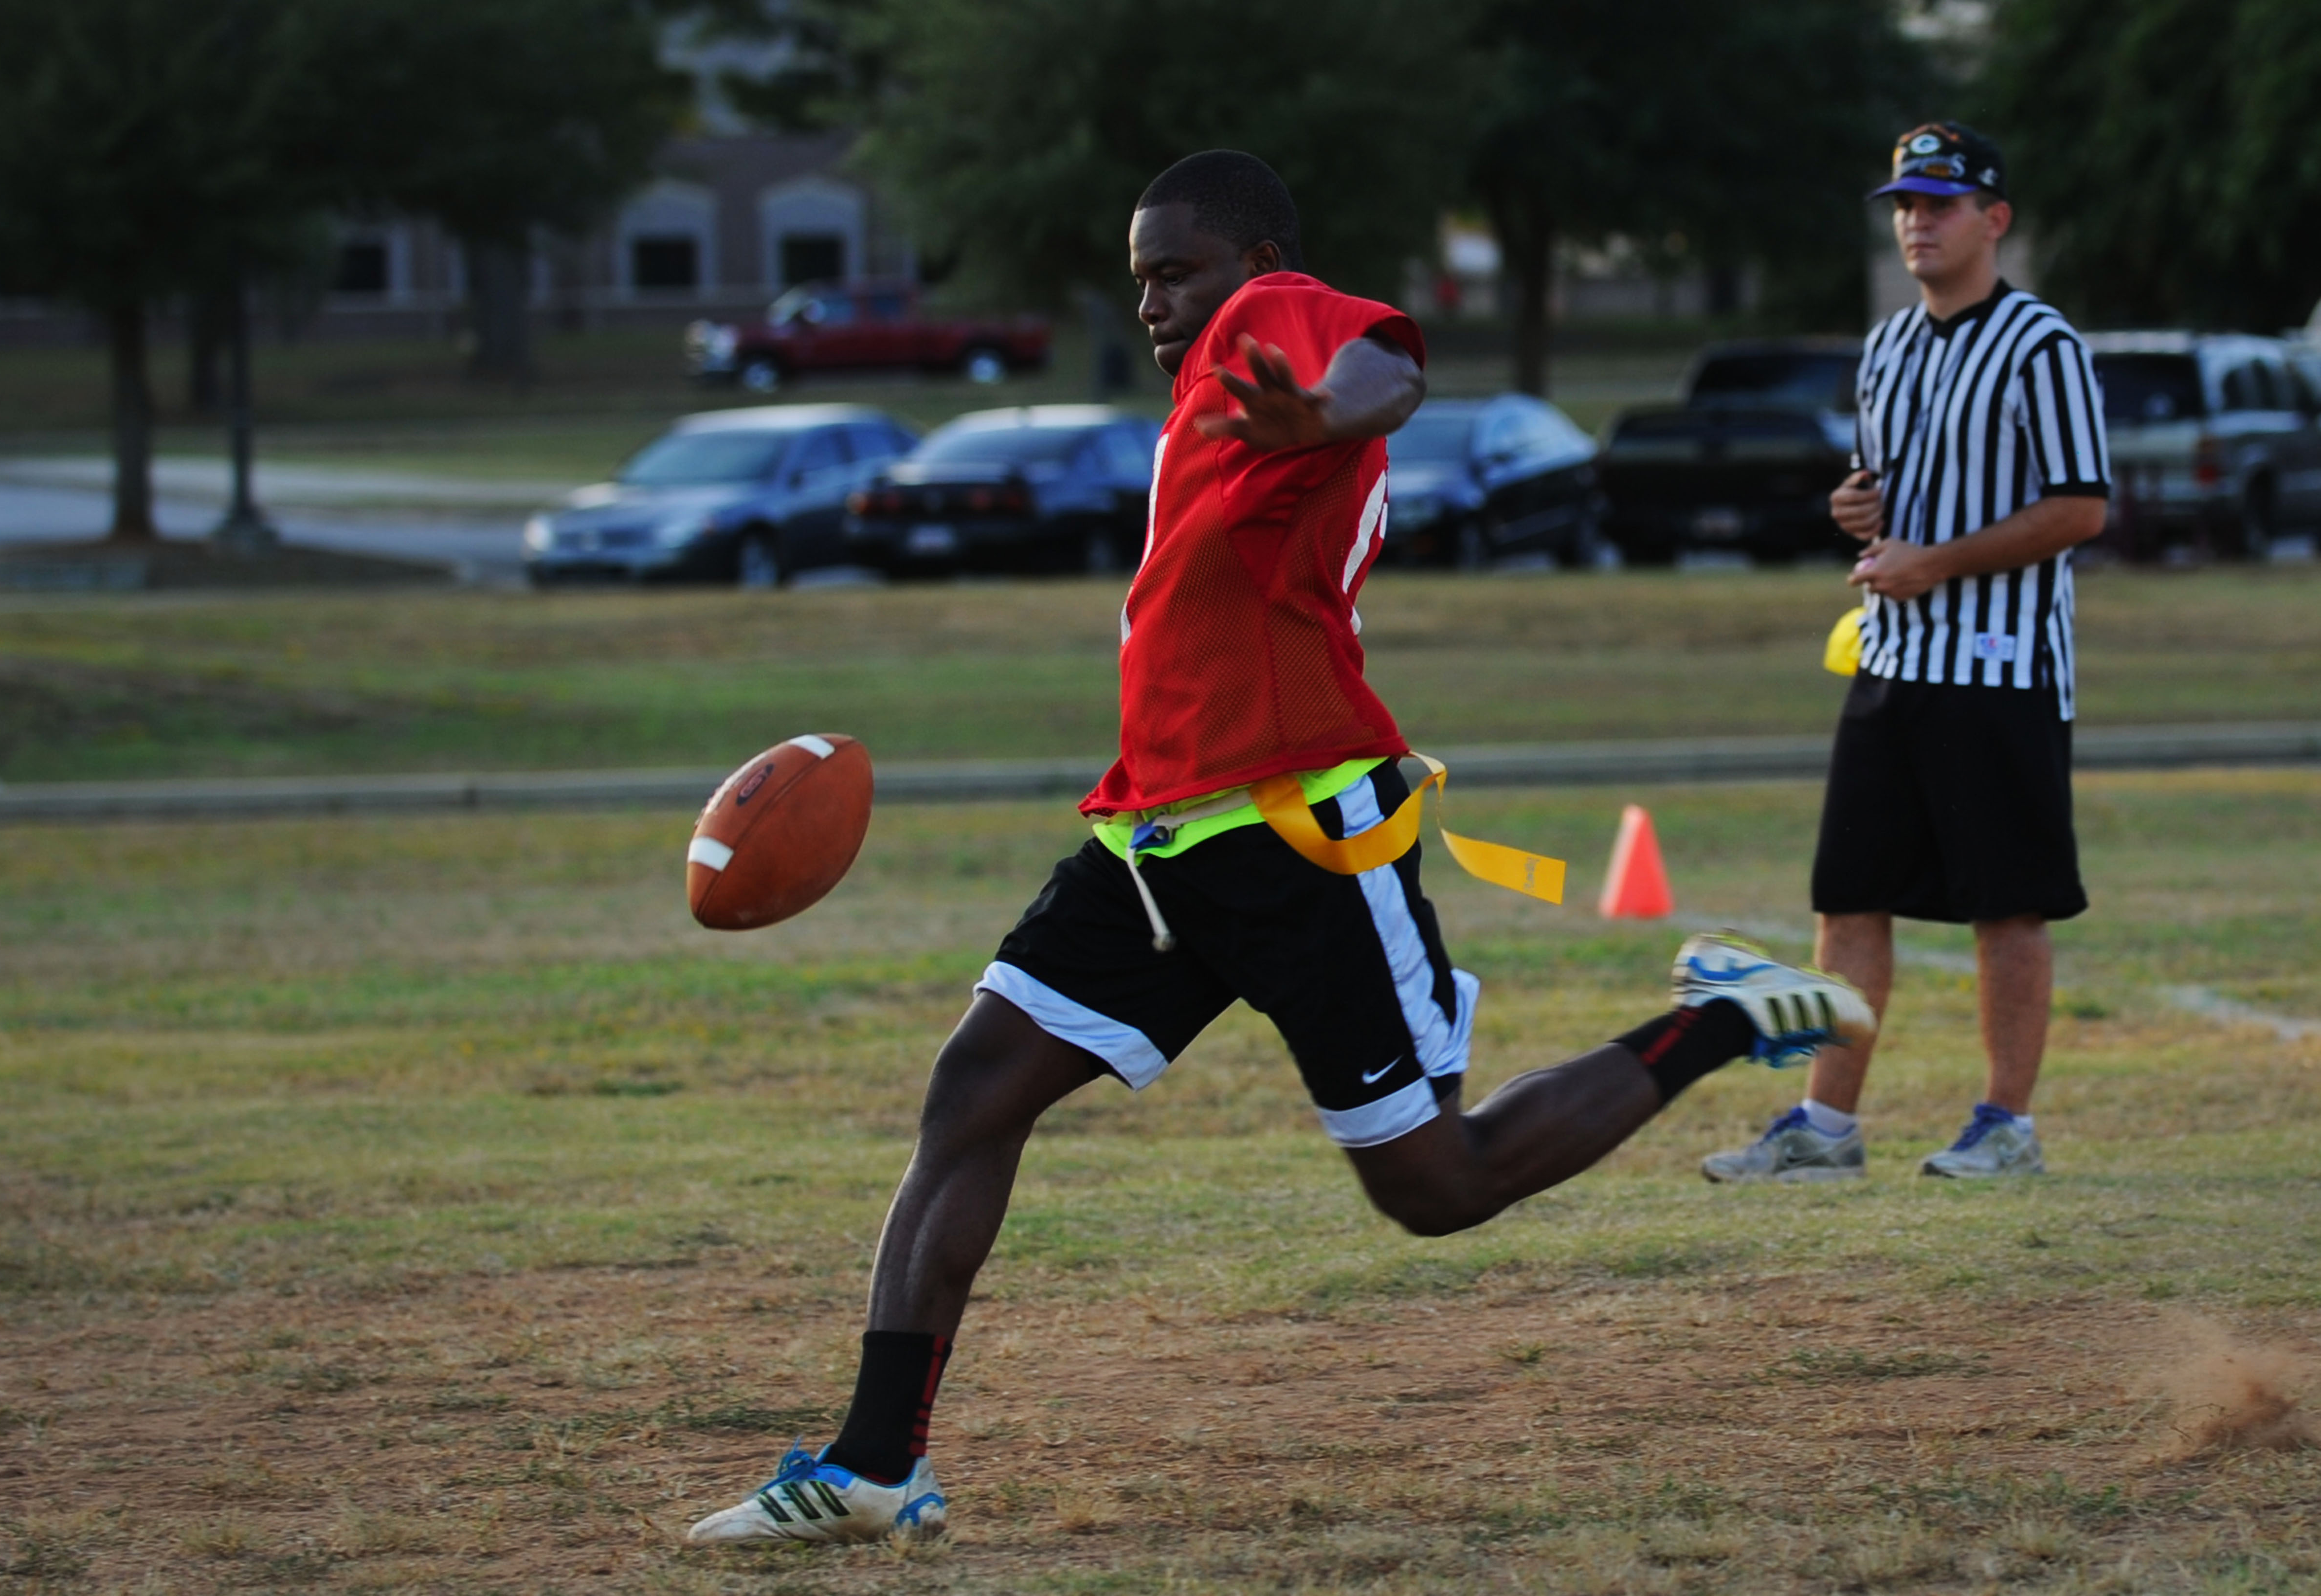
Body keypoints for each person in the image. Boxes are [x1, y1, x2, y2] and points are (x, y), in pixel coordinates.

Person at [689, 150, 1873, 1547]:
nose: (1154, 303)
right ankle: (876, 1463)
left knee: (1438, 1186)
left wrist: (1329, 409)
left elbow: (1386, 367)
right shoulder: (1204, 382)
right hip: (1154, 839)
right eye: (1139, 281)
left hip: (1298, 838)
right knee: (973, 1094)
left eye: (1174, 272)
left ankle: (1717, 1021)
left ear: (1250, 262)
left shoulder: (1275, 320)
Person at [1701, 124, 2110, 1186]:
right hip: (1893, 660)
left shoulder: (2041, 345)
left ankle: (2004, 1125)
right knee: (1848, 896)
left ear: (1994, 220)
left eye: (1940, 204)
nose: (1917, 223)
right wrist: (1854, 510)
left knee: (2006, 902)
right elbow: (1883, 490)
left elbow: (2078, 508)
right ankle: (1822, 1128)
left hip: (2002, 665)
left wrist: (1939, 562)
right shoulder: (1885, 344)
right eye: (1905, 205)